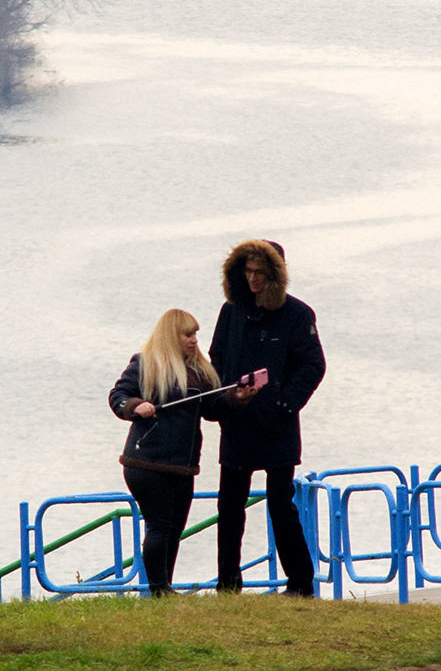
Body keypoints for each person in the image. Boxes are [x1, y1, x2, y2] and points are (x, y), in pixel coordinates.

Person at [108, 309, 254, 594]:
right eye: (188, 334)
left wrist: (234, 398)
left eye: (196, 334)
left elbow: (211, 409)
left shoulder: (200, 370)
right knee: (160, 526)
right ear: (171, 336)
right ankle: (159, 589)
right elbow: (118, 396)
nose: (194, 340)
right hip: (146, 462)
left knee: (174, 529)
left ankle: (164, 588)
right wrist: (136, 406)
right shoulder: (145, 363)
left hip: (182, 465)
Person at [209, 239, 326, 596]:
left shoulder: (298, 314)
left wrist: (283, 404)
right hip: (237, 422)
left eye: (260, 272)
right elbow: (215, 360)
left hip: (278, 426)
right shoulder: (231, 312)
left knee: (280, 506)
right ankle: (228, 585)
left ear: (275, 274)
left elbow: (313, 366)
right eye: (247, 271)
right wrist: (226, 399)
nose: (253, 278)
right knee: (229, 507)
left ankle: (301, 583)